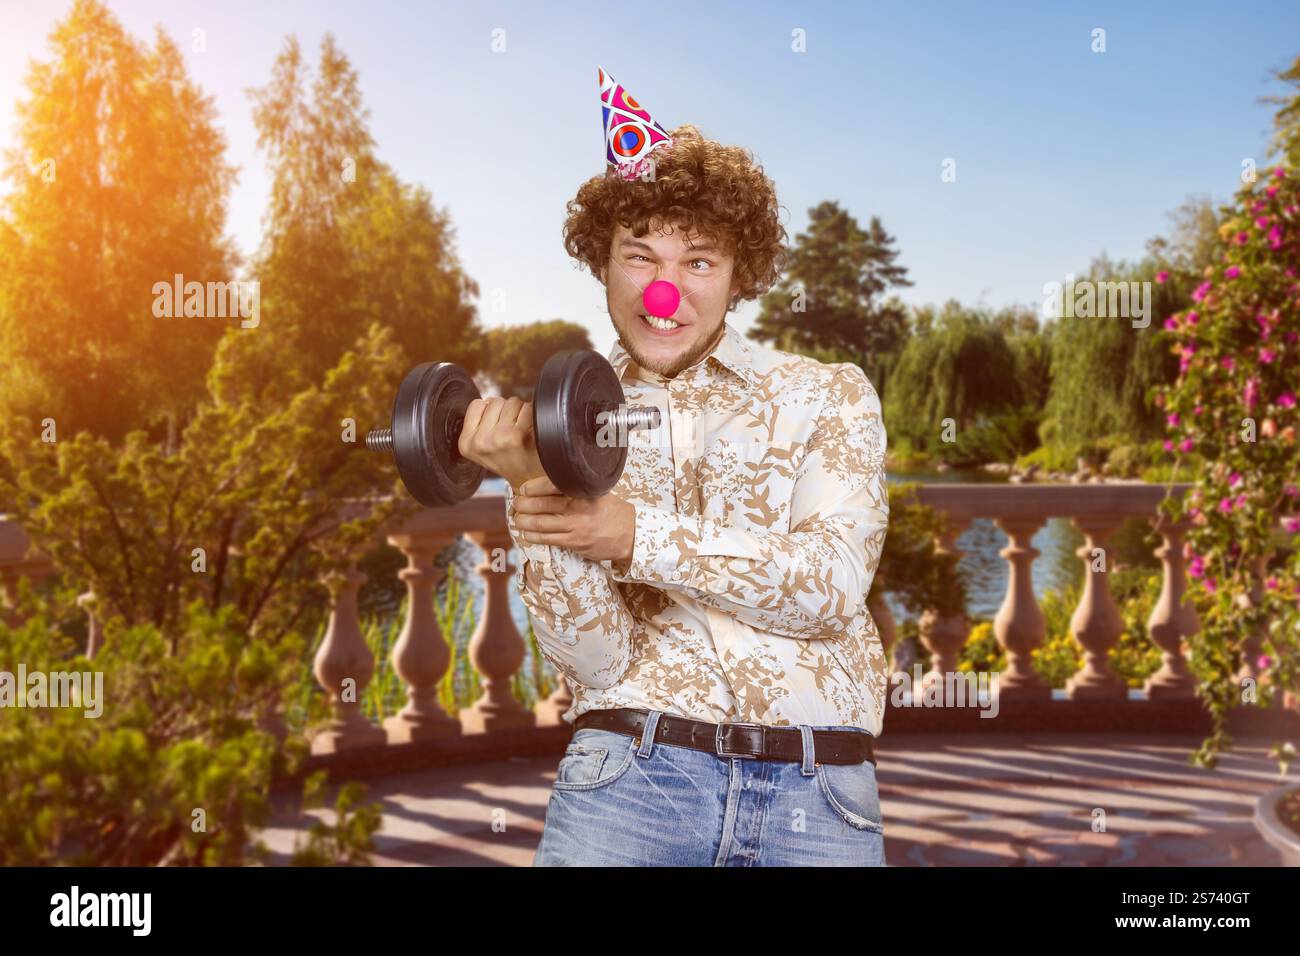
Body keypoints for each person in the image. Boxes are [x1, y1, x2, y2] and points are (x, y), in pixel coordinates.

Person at [457, 68, 890, 866]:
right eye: (640, 255)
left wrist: (633, 534)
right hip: (630, 776)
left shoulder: (827, 395)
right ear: (603, 265)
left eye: (698, 262)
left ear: (736, 277)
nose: (665, 293)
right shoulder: (567, 431)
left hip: (818, 789)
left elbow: (829, 586)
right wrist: (533, 487)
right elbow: (595, 662)